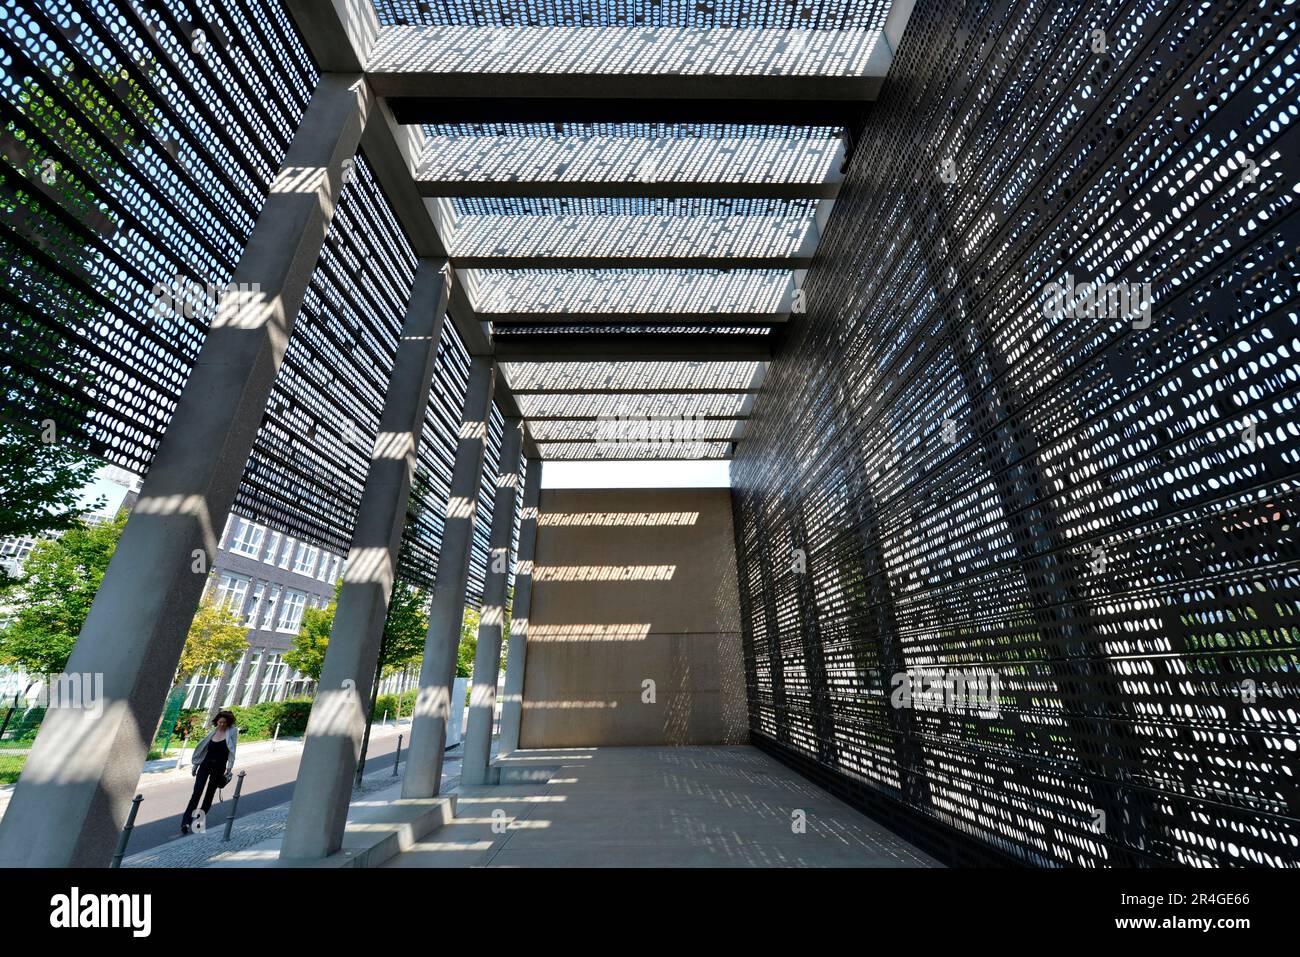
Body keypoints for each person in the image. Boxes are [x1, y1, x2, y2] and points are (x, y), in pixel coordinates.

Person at [180, 711, 238, 834]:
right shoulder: (212, 732)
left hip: (218, 767)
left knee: (209, 795)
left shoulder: (231, 733)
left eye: (224, 722)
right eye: (220, 722)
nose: (221, 724)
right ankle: (185, 822)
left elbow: (233, 750)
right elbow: (203, 750)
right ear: (216, 721)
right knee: (197, 792)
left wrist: (229, 767)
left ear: (228, 723)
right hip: (205, 766)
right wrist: (195, 766)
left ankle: (198, 822)